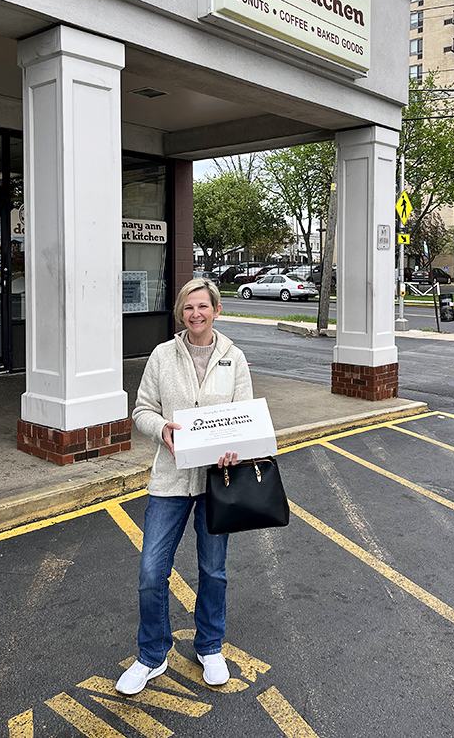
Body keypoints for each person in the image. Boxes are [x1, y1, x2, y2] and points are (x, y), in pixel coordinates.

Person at [116, 278, 253, 695]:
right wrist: (162, 429)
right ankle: (151, 656)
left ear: (216, 310)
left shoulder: (234, 358)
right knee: (151, 572)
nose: (196, 314)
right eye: (188, 308)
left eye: (203, 307)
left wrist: (236, 450)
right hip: (171, 478)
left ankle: (210, 646)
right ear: (180, 313)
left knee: (213, 569)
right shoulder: (162, 356)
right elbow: (141, 409)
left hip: (217, 481)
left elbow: (245, 418)